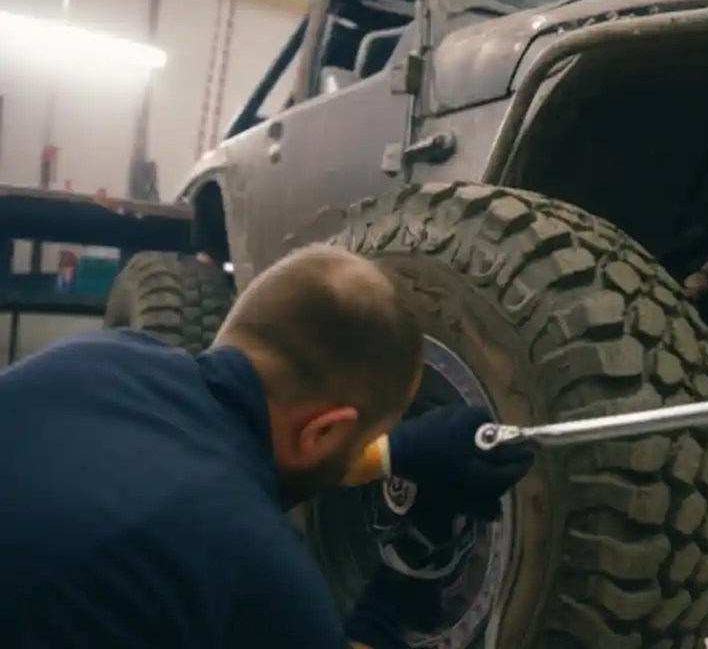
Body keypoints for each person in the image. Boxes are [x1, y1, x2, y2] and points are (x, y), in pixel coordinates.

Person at [0, 244, 534, 648]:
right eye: (363, 439)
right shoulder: (257, 571)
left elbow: (218, 459)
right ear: (323, 432)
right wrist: (407, 568)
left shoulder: (97, 355)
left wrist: (396, 451)